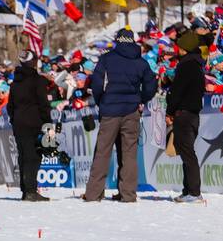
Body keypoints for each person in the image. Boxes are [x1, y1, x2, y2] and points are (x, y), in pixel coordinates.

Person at [83, 27, 158, 202]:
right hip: (131, 111)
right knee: (129, 153)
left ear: (117, 40)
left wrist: (102, 101)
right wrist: (141, 99)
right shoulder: (141, 62)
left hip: (110, 110)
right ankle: (128, 194)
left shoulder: (107, 59)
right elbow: (151, 85)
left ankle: (93, 194)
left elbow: (96, 84)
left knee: (103, 152)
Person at [166, 29, 207, 202]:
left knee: (188, 154)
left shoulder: (186, 66)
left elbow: (177, 92)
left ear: (185, 48)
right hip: (193, 115)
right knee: (186, 152)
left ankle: (194, 193)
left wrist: (170, 111)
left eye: (180, 47)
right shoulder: (197, 65)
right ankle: (188, 190)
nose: (178, 50)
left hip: (183, 113)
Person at [7, 49, 52, 201]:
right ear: (33, 62)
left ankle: (26, 190)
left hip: (19, 124)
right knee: (33, 157)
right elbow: (43, 104)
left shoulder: (14, 84)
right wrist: (48, 123)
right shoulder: (38, 81)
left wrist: (14, 121)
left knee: (23, 157)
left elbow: (10, 107)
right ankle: (31, 191)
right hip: (34, 123)